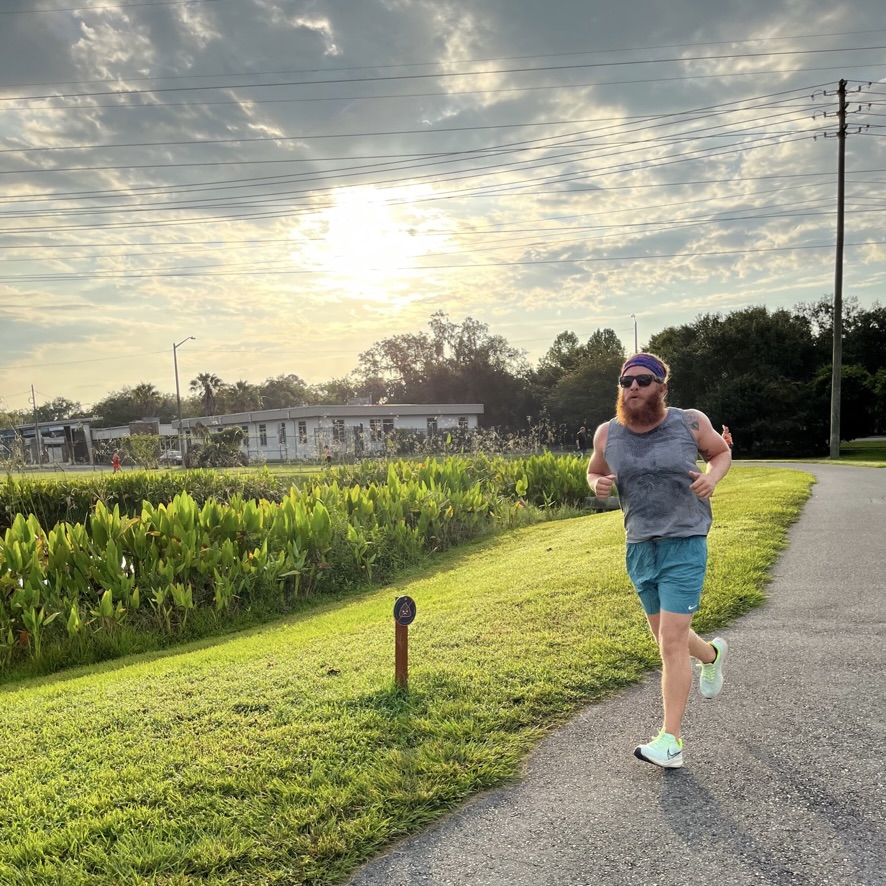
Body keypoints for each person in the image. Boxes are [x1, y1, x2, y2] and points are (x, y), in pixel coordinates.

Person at [585, 353, 732, 769]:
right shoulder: (607, 433)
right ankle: (712, 656)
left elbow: (720, 453)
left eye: (643, 380)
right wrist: (597, 484)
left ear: (661, 387)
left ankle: (671, 741)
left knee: (670, 641)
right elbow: (593, 470)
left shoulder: (690, 422)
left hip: (684, 541)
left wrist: (712, 477)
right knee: (668, 636)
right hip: (639, 547)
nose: (633, 387)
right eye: (626, 381)